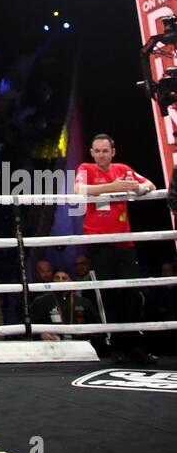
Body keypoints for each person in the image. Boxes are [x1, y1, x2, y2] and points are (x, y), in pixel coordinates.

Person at [75, 132, 156, 364]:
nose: (101, 155)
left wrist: (139, 189)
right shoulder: (86, 168)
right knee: (109, 294)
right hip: (99, 240)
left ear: (113, 152)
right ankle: (117, 346)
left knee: (131, 293)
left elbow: (149, 183)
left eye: (105, 151)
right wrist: (114, 187)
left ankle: (133, 345)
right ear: (92, 152)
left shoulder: (123, 168)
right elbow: (79, 190)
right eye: (97, 151)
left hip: (124, 241)